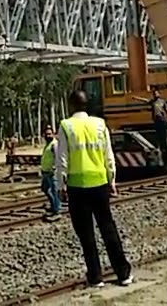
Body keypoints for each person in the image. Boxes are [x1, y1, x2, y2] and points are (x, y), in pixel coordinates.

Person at [55, 90, 132, 288]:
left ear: (71, 105)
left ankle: (96, 277)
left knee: (86, 234)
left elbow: (62, 159)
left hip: (77, 186)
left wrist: (60, 186)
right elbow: (108, 155)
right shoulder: (99, 124)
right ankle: (123, 273)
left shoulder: (66, 126)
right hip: (100, 184)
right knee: (108, 228)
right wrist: (112, 180)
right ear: (86, 104)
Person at [39, 125, 61, 217]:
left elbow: (57, 157)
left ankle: (56, 209)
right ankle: (53, 205)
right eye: (46, 134)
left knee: (54, 190)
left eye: (50, 134)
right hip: (45, 171)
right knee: (45, 189)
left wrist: (55, 168)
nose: (48, 136)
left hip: (52, 172)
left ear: (53, 134)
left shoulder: (54, 144)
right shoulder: (47, 145)